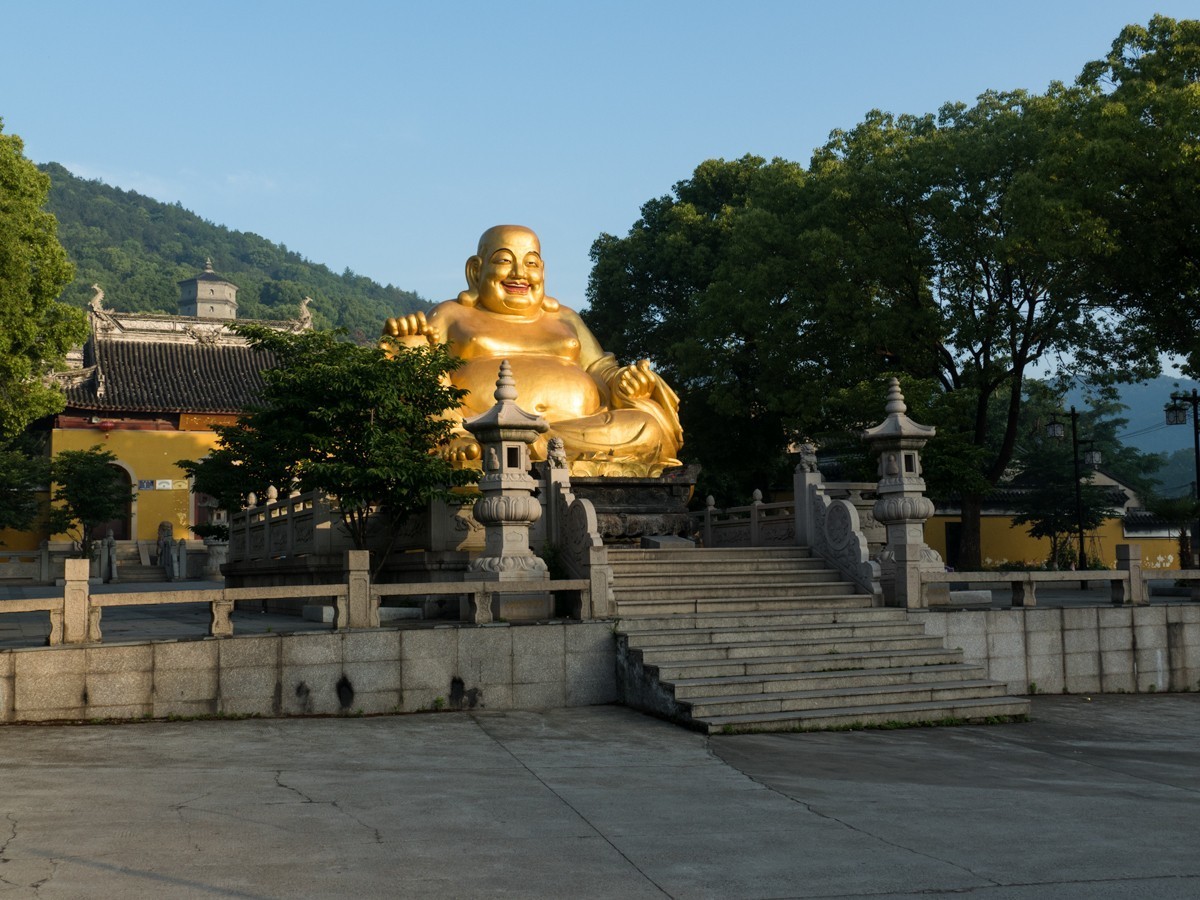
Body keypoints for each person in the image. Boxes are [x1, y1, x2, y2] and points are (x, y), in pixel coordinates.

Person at [383, 225, 682, 476]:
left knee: (648, 427)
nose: (519, 273)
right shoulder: (452, 314)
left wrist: (626, 382)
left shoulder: (566, 318)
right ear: (475, 270)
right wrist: (404, 338)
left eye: (531, 263)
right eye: (504, 260)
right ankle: (455, 438)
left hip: (575, 429)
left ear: (543, 270)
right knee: (412, 346)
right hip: (480, 429)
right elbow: (418, 364)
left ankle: (524, 447)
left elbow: (600, 369)